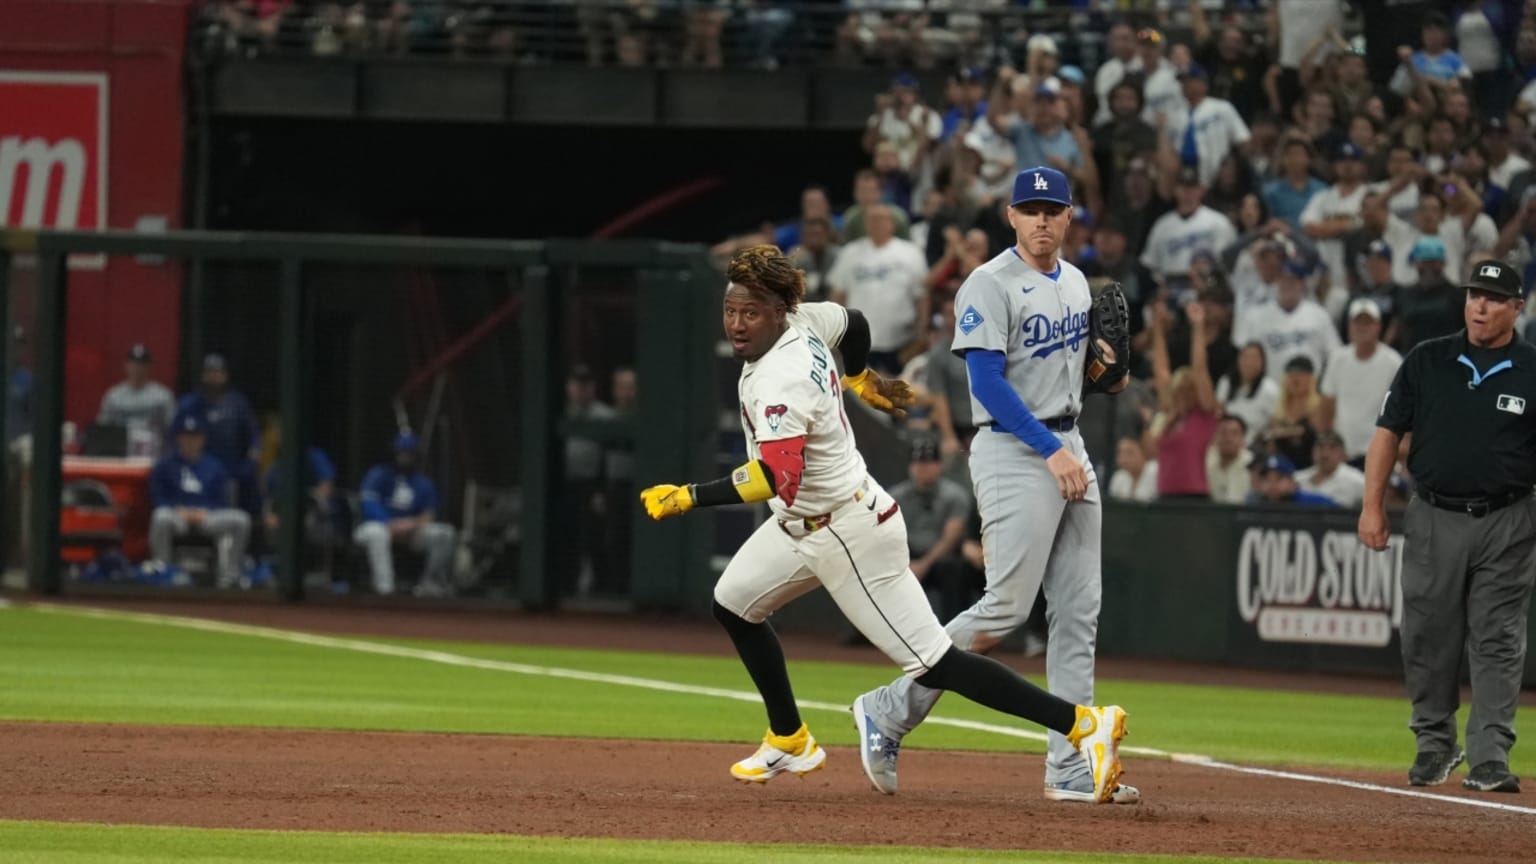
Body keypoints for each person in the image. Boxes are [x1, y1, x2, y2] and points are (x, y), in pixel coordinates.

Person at [637, 243, 1129, 803]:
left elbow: (774, 477)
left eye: (751, 312)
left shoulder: (782, 377)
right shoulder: (806, 319)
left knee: (937, 663)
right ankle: (789, 737)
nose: (737, 323)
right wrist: (859, 376)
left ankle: (1081, 724)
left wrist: (689, 497)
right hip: (801, 523)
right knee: (732, 604)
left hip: (847, 533)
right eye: (730, 310)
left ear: (777, 312)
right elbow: (854, 322)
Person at [849, 167, 1136, 805]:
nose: (1041, 220)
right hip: (1014, 451)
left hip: (1068, 442)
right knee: (1004, 607)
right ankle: (890, 708)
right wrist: (1050, 450)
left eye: (1052, 210)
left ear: (1069, 217)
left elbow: (1082, 377)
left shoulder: (1077, 283)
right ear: (1011, 216)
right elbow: (987, 383)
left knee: (1078, 611)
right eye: (1030, 209)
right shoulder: (988, 282)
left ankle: (1069, 766)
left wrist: (1108, 376)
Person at [1361, 260, 1536, 794]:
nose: (1480, 305)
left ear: (1517, 308)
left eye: (1494, 298)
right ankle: (1435, 743)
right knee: (1427, 635)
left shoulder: (1532, 368)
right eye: (1474, 295)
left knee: (1498, 638)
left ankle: (1490, 755)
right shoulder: (1427, 359)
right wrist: (1372, 506)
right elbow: (1387, 433)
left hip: (1509, 518)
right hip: (1433, 514)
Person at [144, 412, 251, 589]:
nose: (190, 441)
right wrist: (178, 510)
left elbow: (223, 501)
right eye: (186, 436)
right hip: (177, 517)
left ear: (202, 439)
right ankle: (164, 570)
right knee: (160, 516)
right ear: (178, 438)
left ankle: (230, 575)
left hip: (207, 517)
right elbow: (157, 498)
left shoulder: (214, 466)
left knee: (241, 519)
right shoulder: (165, 466)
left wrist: (205, 512)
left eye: (194, 437)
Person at [353, 432, 457, 597]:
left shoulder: (423, 482)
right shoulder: (378, 474)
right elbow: (369, 504)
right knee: (377, 534)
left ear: (416, 455)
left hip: (410, 530)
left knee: (445, 533)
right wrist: (390, 523)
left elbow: (429, 514)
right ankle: (385, 588)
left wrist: (412, 524)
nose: (405, 456)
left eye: (409, 453)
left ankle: (430, 583)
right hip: (376, 526)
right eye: (402, 452)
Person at [887, 436, 973, 623]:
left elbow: (951, 537)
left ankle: (954, 627)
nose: (922, 468)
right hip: (906, 556)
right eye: (918, 463)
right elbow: (888, 535)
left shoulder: (954, 495)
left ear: (939, 465)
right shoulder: (895, 496)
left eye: (928, 463)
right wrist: (905, 563)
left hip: (939, 558)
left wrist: (924, 564)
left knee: (955, 568)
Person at [176, 353, 262, 520]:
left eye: (218, 372)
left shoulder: (237, 402)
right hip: (197, 467)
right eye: (210, 372)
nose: (214, 376)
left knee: (250, 481)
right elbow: (175, 435)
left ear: (225, 375)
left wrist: (253, 457)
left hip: (233, 468)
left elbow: (253, 436)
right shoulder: (190, 403)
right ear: (203, 375)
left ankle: (253, 527)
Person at [1318, 298, 1403, 465]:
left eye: (1368, 322)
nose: (1362, 327)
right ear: (1349, 327)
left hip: (1379, 453)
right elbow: (1326, 407)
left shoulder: (1393, 362)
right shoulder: (1337, 358)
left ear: (1378, 326)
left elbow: (1401, 410)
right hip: (1343, 453)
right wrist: (1329, 447)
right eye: (1357, 322)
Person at [97, 343, 176, 456]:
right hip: (120, 450)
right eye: (133, 363)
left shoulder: (163, 396)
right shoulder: (114, 395)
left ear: (149, 367)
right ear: (126, 365)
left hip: (153, 451)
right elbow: (102, 427)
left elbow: (172, 427)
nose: (137, 368)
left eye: (142, 364)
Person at [1294, 430, 1365, 507]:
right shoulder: (1298, 479)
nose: (1325, 454)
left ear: (1343, 453)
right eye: (1320, 447)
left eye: (1332, 448)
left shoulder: (1357, 480)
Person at [1249, 454, 1337, 506]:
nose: (1272, 484)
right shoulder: (1254, 506)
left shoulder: (1315, 503)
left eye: (1279, 478)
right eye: (1267, 479)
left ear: (1292, 482)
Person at [1205, 414, 1254, 504]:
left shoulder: (1253, 465)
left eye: (1234, 433)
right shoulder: (1204, 463)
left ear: (1243, 438)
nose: (1228, 438)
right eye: (1223, 433)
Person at [1108, 437, 1157, 502]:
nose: (1124, 459)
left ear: (1143, 451)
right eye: (1120, 453)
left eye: (1130, 452)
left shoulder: (1155, 470)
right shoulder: (1118, 476)